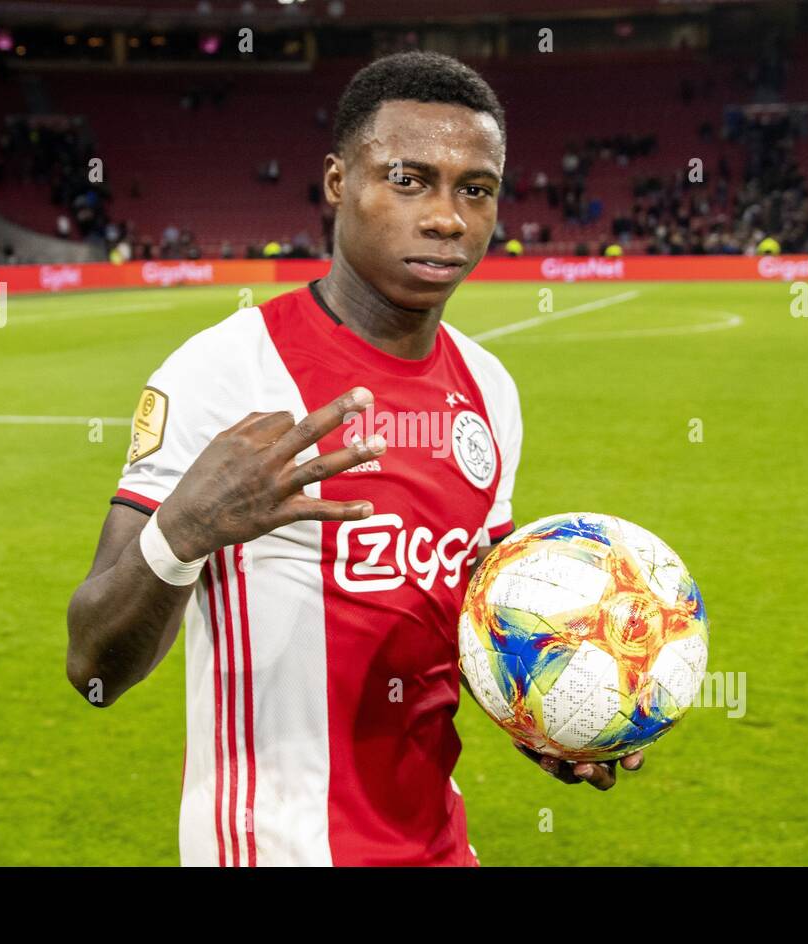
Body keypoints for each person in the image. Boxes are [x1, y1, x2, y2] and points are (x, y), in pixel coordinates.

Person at [65, 50, 640, 869]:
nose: (447, 217)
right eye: (410, 180)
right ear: (338, 182)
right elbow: (92, 668)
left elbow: (465, 623)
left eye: (474, 189)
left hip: (440, 848)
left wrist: (542, 712)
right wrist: (185, 531)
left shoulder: (490, 388)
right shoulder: (225, 371)